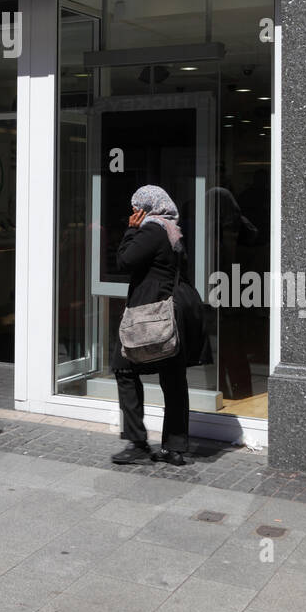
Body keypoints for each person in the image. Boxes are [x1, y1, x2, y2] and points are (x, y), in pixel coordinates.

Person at [111, 184, 191, 467]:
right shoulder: (174, 230)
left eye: (136, 208)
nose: (133, 213)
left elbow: (124, 261)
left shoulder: (152, 230)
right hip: (171, 313)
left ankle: (138, 444)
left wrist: (130, 231)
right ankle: (175, 447)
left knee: (123, 367)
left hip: (149, 313)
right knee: (173, 378)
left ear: (146, 208)